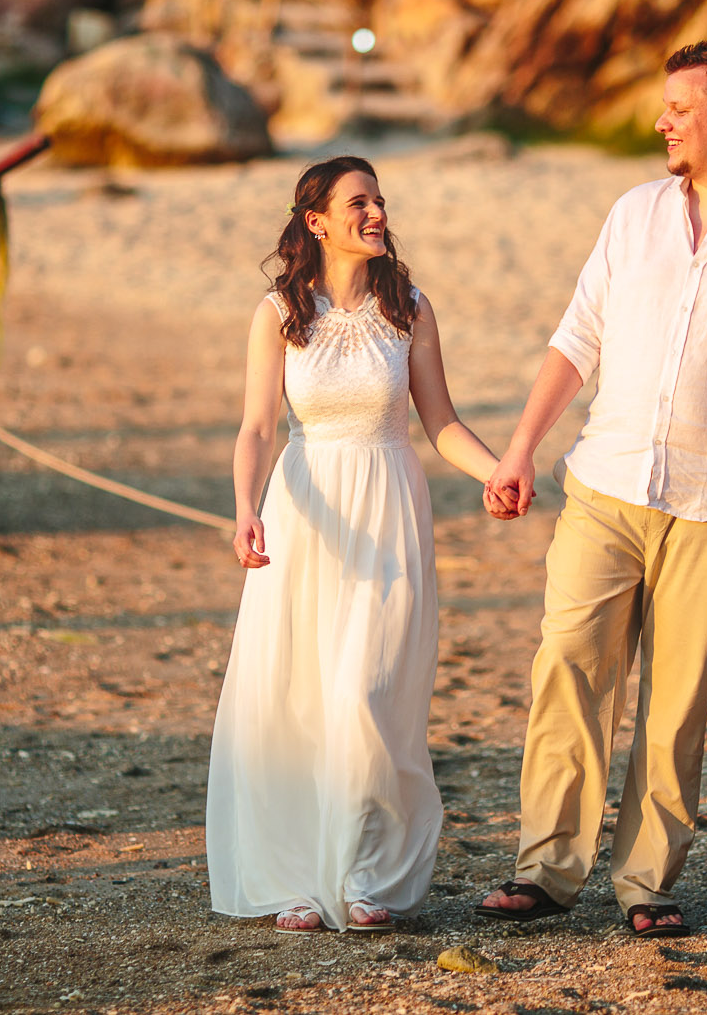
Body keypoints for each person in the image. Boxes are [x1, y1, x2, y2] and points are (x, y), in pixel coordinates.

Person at [474, 41, 707, 938]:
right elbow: (578, 339)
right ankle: (546, 867)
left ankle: (647, 880)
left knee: (677, 698)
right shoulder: (633, 212)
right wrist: (522, 447)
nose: (660, 121)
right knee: (568, 667)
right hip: (603, 483)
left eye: (678, 107)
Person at [209, 155, 512, 935]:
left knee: (370, 693)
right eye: (358, 201)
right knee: (302, 697)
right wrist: (246, 510)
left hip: (390, 511)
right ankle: (300, 879)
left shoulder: (408, 306)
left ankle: (366, 870)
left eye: (379, 199)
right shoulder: (278, 311)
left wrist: (498, 470)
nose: (376, 211)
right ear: (317, 221)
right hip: (307, 511)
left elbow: (440, 422)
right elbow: (256, 428)